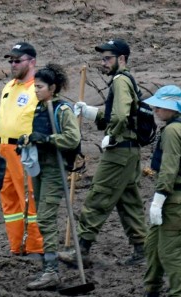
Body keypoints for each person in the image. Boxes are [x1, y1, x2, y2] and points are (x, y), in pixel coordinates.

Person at [63, 38, 147, 269]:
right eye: (102, 58)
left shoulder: (120, 81)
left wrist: (113, 134)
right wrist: (91, 113)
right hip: (129, 152)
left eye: (108, 58)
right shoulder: (126, 80)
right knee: (128, 200)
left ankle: (81, 250)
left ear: (122, 59)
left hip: (118, 152)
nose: (103, 62)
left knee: (98, 196)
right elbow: (118, 115)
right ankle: (143, 249)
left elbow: (119, 118)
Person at [125, 85, 181, 297]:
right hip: (177, 196)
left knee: (171, 253)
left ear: (172, 107)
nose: (156, 109)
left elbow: (169, 169)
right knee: (154, 247)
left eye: (160, 105)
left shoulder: (173, 131)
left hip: (175, 198)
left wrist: (158, 199)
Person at [18, 64, 82, 290]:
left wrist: (47, 140)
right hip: (40, 167)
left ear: (52, 88)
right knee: (41, 215)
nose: (36, 90)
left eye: (40, 87)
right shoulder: (39, 108)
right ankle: (49, 266)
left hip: (55, 168)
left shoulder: (62, 110)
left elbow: (73, 139)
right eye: (35, 86)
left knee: (45, 217)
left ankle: (51, 271)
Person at [0, 42, 44, 262]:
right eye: (11, 61)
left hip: (24, 150)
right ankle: (17, 246)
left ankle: (35, 247)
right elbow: (1, 119)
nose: (13, 64)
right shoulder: (9, 87)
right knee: (9, 199)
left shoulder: (38, 89)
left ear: (31, 62)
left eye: (17, 60)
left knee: (29, 198)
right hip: (3, 150)